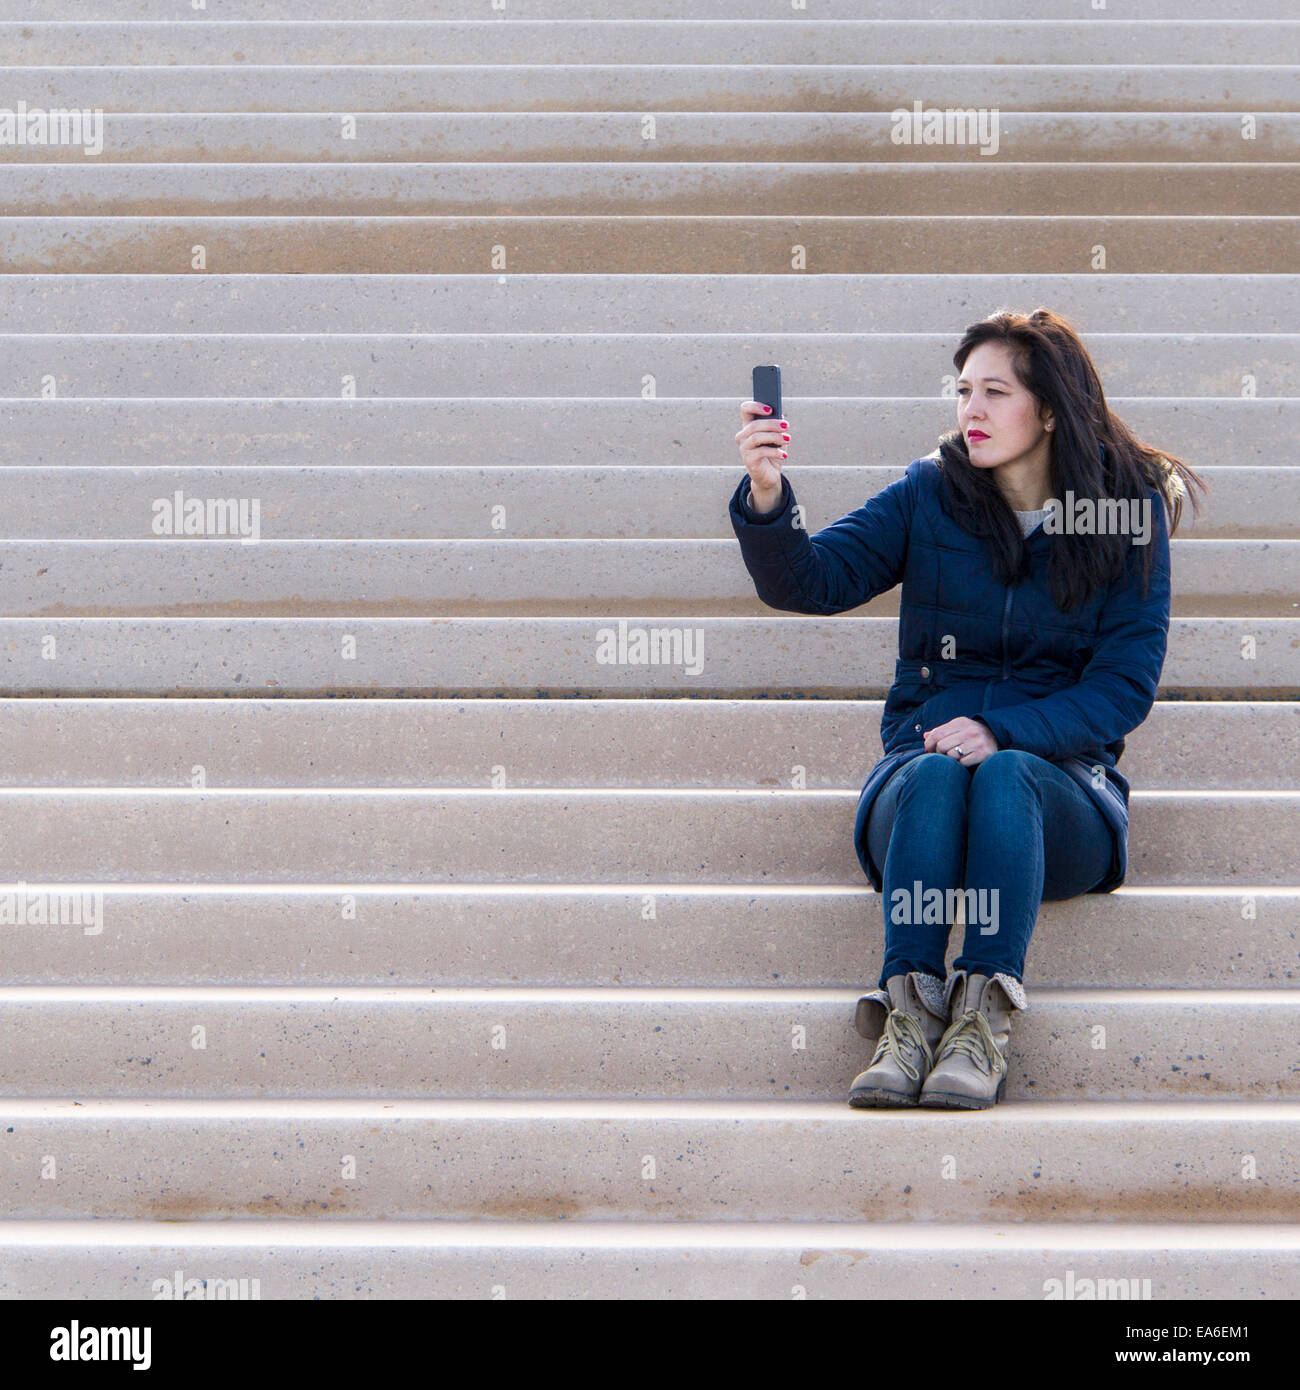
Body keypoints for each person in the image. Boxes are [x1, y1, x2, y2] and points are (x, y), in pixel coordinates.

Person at [729, 308, 1207, 1111]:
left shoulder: (1125, 512)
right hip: (926, 789)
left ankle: (983, 1019)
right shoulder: (931, 494)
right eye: (962, 391)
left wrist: (1003, 729)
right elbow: (809, 581)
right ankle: (909, 1016)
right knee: (938, 773)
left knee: (1008, 771)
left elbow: (1124, 686)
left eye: (995, 392)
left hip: (1061, 797)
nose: (970, 411)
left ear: (1048, 408)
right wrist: (769, 493)